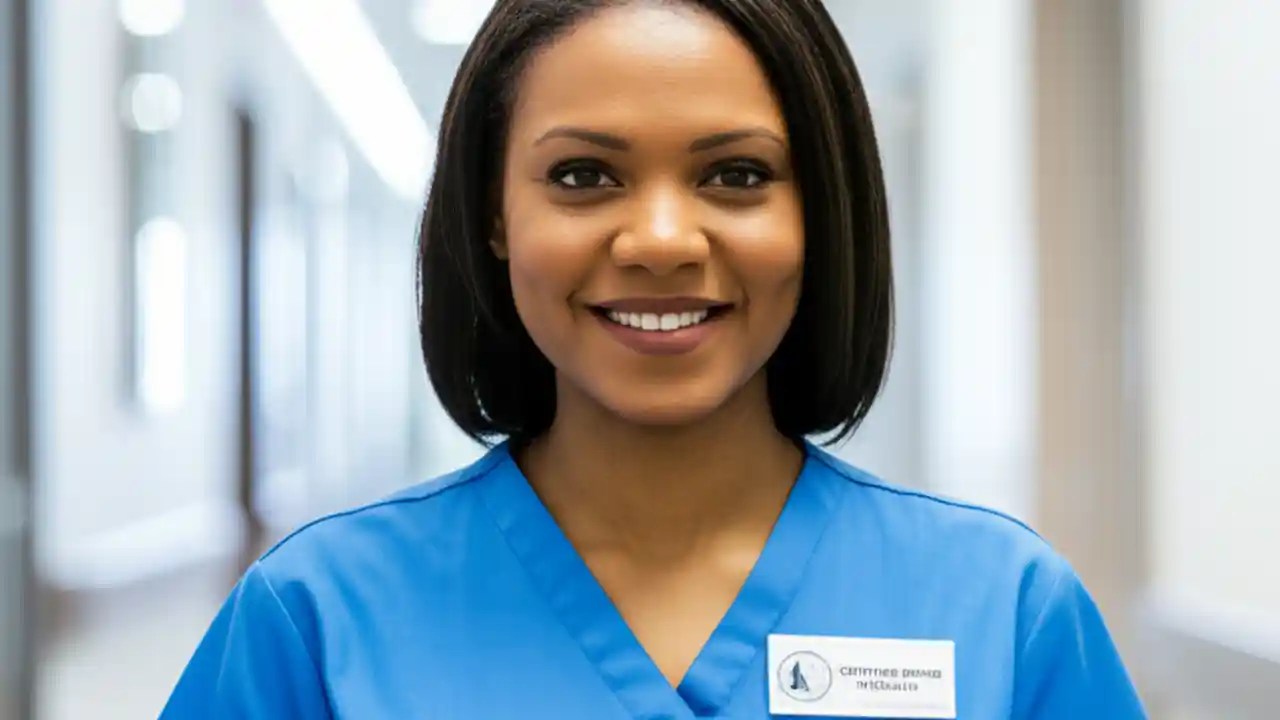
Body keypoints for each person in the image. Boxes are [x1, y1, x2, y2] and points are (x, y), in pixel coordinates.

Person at [162, 0, 1147, 717]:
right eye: (583, 175)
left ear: (817, 214)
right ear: (494, 217)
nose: (663, 241)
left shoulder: (1002, 613)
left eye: (737, 175)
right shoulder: (317, 622)